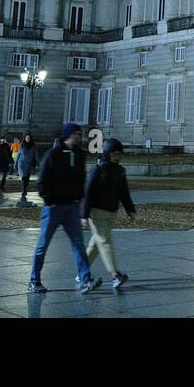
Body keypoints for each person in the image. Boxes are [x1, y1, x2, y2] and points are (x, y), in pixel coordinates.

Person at [28, 123, 99, 294]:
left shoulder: (79, 155)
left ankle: (85, 280)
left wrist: (80, 197)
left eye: (80, 133)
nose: (79, 136)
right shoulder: (54, 154)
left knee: (78, 244)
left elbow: (81, 178)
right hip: (53, 208)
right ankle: (34, 280)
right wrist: (49, 200)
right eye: (76, 133)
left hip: (72, 206)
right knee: (43, 245)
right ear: (68, 135)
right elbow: (42, 180)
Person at [83, 138, 137, 289]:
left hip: (111, 212)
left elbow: (124, 192)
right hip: (97, 212)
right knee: (105, 242)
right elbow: (88, 192)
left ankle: (82, 271)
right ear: (107, 154)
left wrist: (130, 209)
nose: (117, 157)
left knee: (96, 244)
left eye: (119, 155)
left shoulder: (120, 171)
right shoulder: (97, 170)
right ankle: (114, 275)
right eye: (114, 155)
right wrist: (84, 215)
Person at [16, 134, 39, 205]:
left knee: (27, 178)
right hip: (22, 163)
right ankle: (23, 191)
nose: (28, 138)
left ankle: (25, 189)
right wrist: (15, 164)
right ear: (24, 138)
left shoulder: (33, 146)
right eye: (27, 137)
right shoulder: (21, 145)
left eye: (29, 137)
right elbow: (18, 155)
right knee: (23, 177)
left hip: (29, 164)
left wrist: (37, 164)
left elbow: (36, 155)